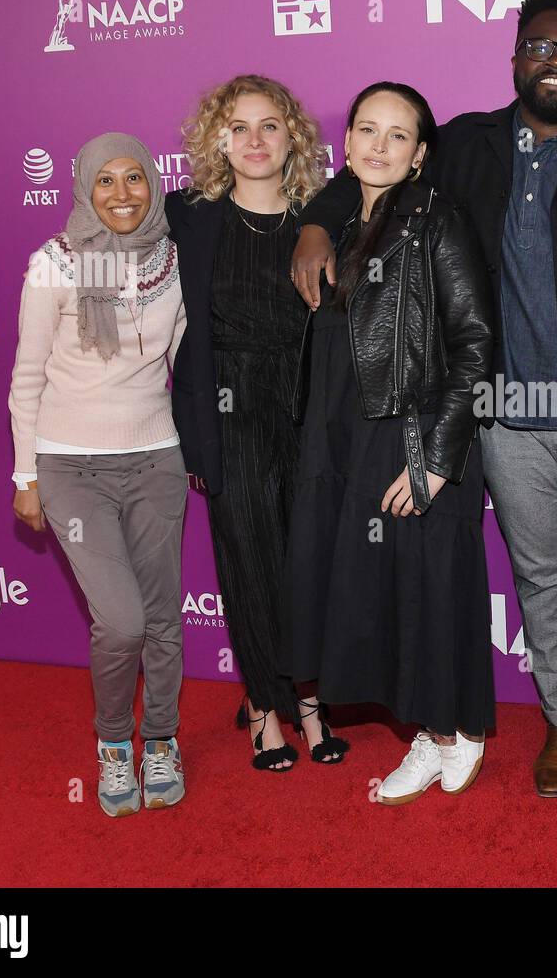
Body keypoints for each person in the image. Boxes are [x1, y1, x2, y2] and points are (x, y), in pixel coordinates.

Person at [291, 0, 557, 804]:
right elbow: (376, 167)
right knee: (540, 578)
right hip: (504, 420)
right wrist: (313, 220)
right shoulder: (468, 148)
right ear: (515, 58)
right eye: (542, 48)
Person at [280, 81, 495, 804]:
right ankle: (425, 738)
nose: (379, 145)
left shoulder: (438, 221)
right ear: (345, 145)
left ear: (420, 153)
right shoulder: (340, 220)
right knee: (386, 594)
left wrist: (436, 456)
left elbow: (474, 344)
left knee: (430, 588)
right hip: (345, 434)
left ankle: (456, 732)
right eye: (366, 130)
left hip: (411, 432)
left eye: (397, 135)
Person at [8, 132, 189, 818]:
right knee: (121, 621)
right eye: (105, 180)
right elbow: (26, 379)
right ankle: (114, 744)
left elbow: (180, 362)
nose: (121, 194)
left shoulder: (173, 260)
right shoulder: (54, 264)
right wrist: (24, 477)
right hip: (71, 464)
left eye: (134, 178)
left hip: (156, 460)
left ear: (152, 184)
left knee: (164, 617)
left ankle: (162, 740)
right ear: (84, 188)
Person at [170, 74, 348, 771]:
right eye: (238, 127)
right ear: (219, 138)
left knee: (307, 558)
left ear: (292, 137)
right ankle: (265, 709)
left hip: (306, 408)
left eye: (269, 125)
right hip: (228, 408)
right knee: (248, 558)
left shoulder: (322, 217)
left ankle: (308, 699)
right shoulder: (190, 216)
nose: (254, 140)